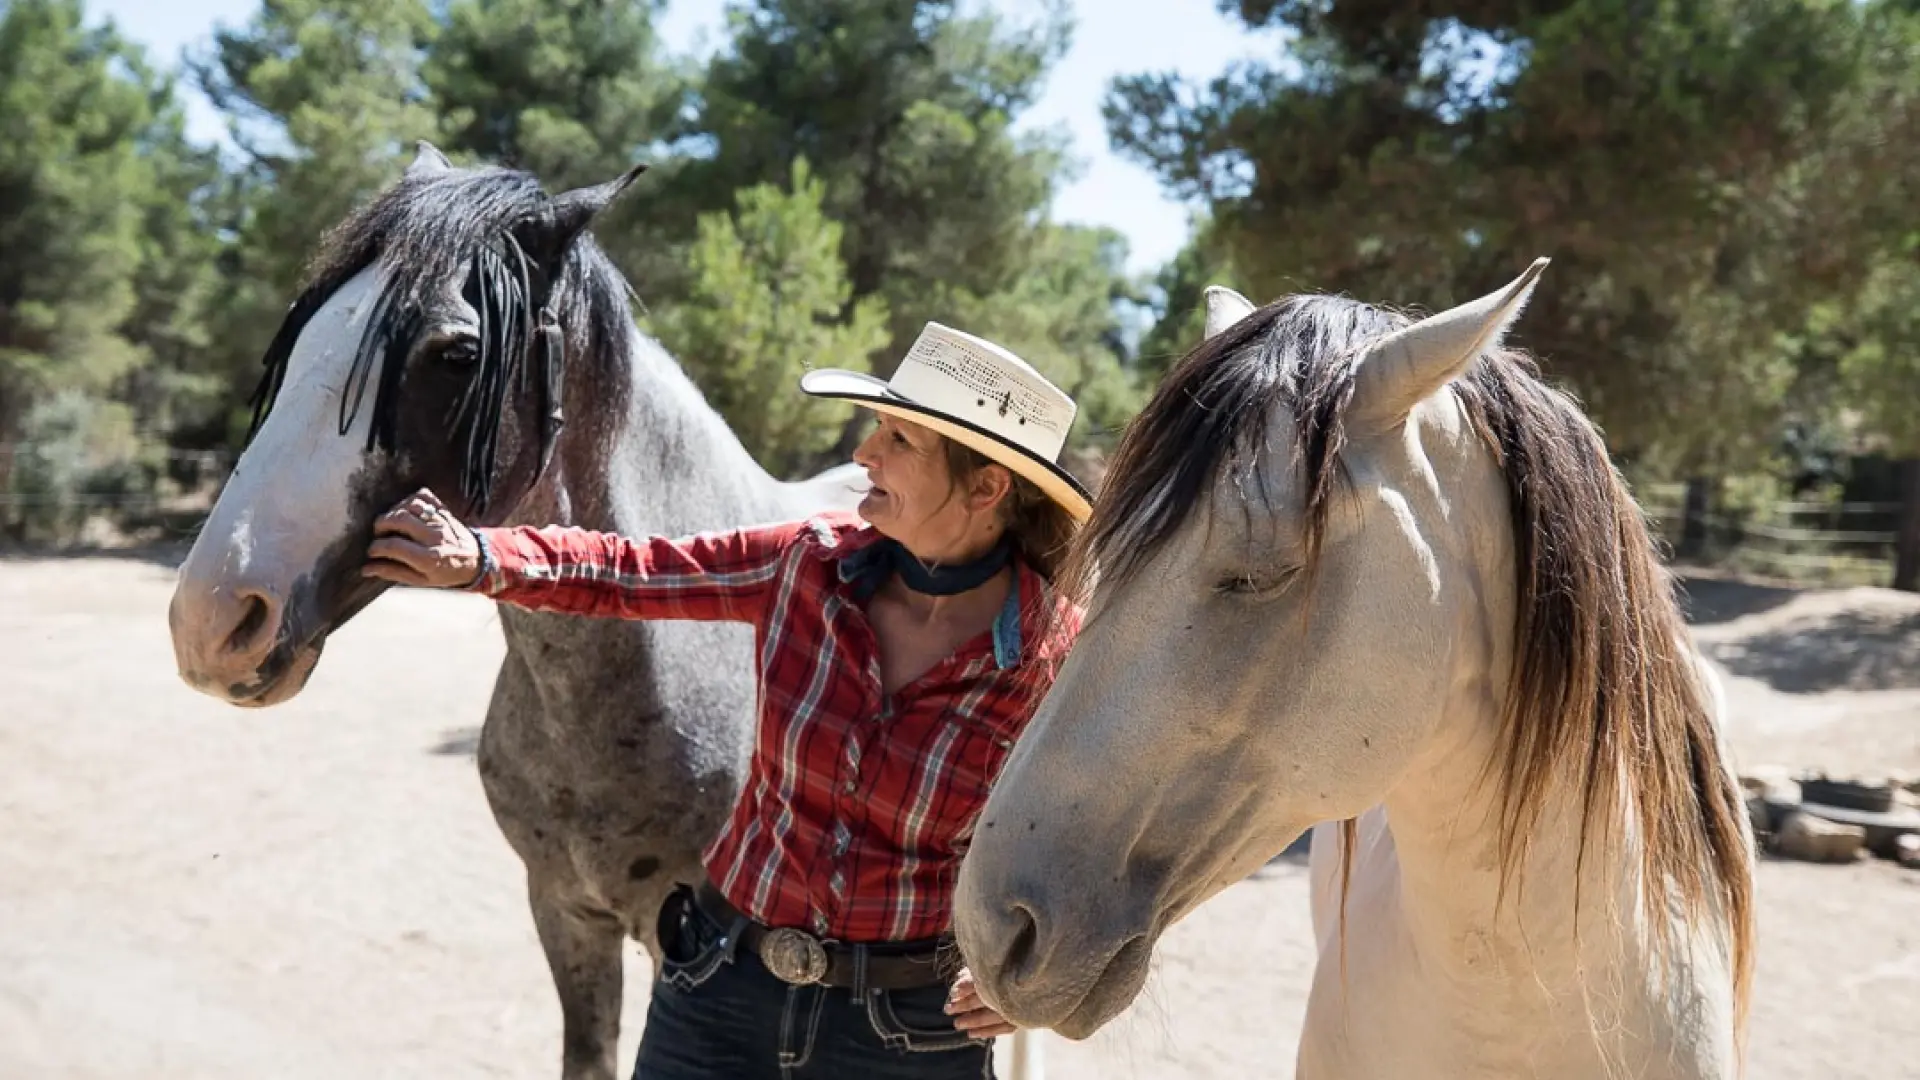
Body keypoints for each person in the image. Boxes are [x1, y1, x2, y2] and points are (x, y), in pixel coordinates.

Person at [361, 321, 1092, 1080]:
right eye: (879, 428)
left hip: (909, 1037)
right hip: (717, 990)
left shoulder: (1059, 662)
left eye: (900, 441)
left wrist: (1039, 981)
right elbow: (631, 572)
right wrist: (481, 556)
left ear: (986, 487)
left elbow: (1095, 851)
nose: (863, 454)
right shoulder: (807, 563)